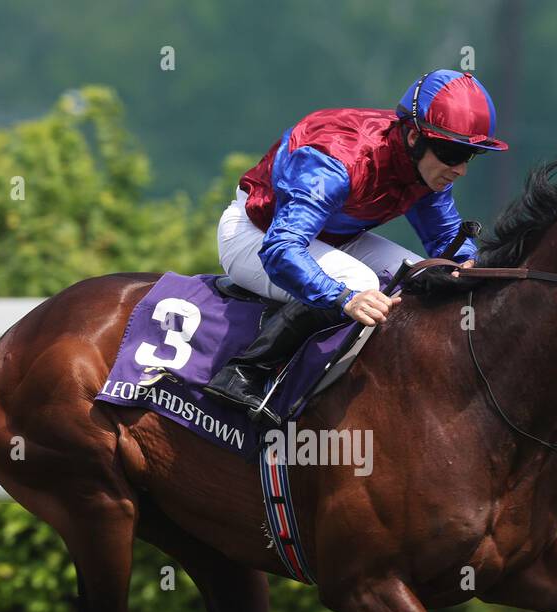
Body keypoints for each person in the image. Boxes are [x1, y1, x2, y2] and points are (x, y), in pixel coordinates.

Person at [203, 69, 509, 422]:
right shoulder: (339, 161)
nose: (460, 169)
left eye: (469, 155)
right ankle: (245, 373)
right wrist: (343, 298)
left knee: (429, 278)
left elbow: (446, 241)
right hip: (256, 234)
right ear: (413, 136)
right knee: (360, 286)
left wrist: (467, 265)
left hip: (332, 238)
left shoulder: (426, 165)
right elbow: (282, 248)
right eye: (452, 152)